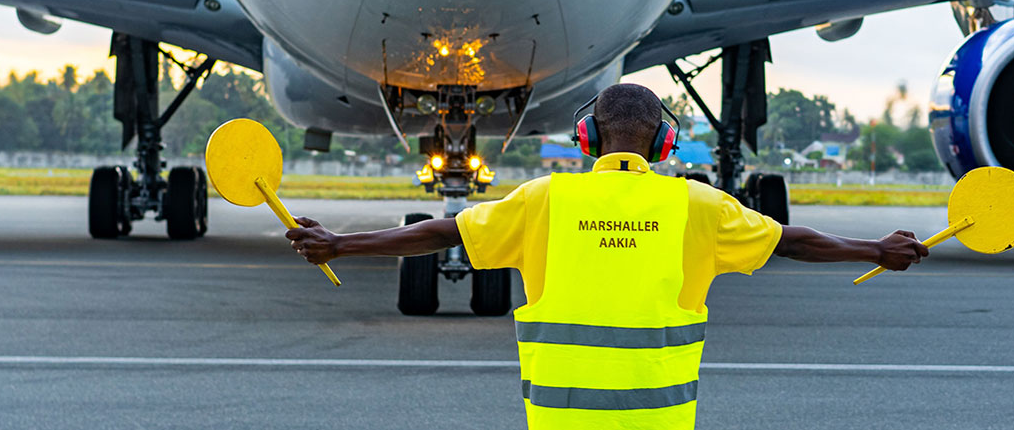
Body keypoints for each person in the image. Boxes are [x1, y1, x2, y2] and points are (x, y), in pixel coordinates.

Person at [286, 83, 930, 429]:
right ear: (665, 142)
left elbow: (441, 232)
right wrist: (877, 248)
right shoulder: (697, 205)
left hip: (559, 420)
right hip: (662, 421)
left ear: (587, 137)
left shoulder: (543, 200)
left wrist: (340, 243)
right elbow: (795, 241)